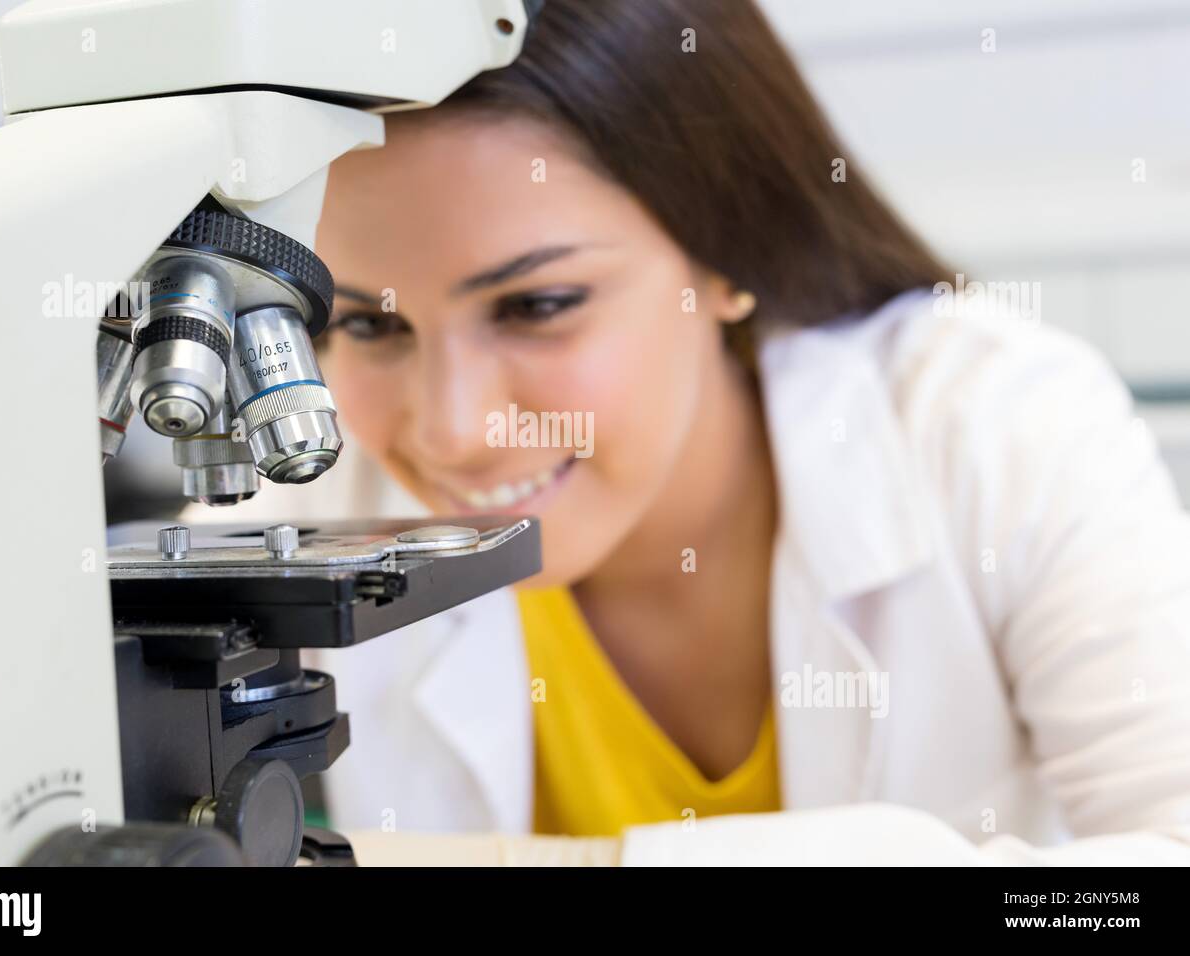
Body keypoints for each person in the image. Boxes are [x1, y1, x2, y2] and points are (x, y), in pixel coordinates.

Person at [198, 0, 1190, 864]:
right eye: (367, 323)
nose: (454, 431)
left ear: (727, 253)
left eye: (538, 304)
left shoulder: (996, 426)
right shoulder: (306, 498)